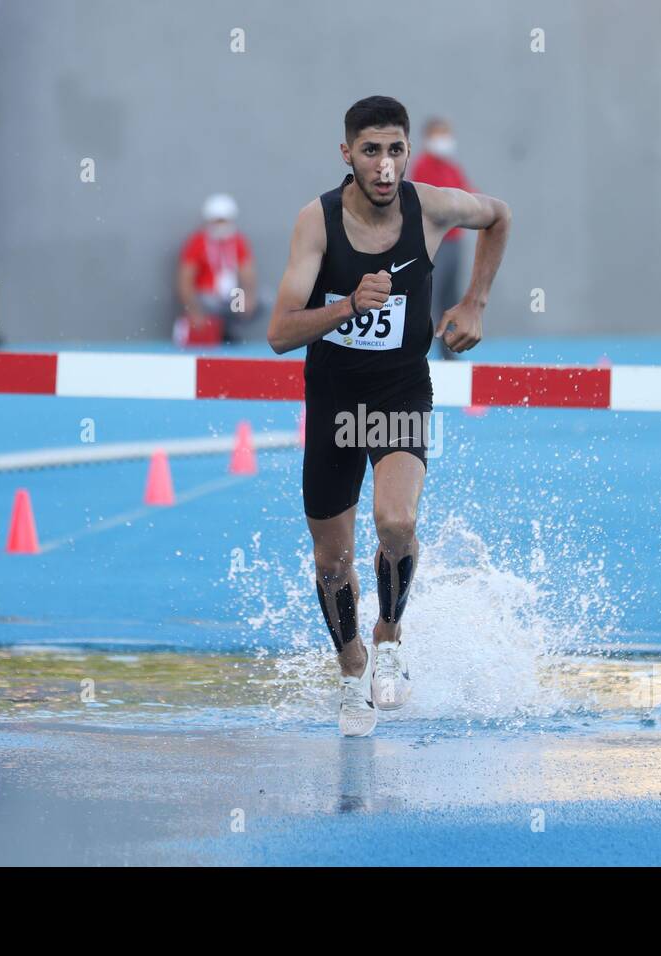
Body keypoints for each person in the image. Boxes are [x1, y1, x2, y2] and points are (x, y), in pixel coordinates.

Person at [267, 95, 511, 736]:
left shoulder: (428, 206)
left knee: (397, 520)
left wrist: (476, 302)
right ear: (347, 154)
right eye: (371, 151)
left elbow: (498, 217)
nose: (384, 166)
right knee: (331, 559)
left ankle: (388, 637)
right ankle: (352, 672)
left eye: (395, 150)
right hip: (333, 398)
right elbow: (280, 332)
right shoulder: (316, 223)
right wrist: (347, 306)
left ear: (408, 153)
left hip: (401, 389)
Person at [407, 117, 475, 361]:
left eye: (446, 134)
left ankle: (449, 352)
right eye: (439, 135)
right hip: (436, 243)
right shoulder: (423, 166)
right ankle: (416, 352)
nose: (444, 141)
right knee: (428, 299)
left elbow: (469, 197)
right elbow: (430, 204)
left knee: (450, 300)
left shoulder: (451, 167)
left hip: (455, 242)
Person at [175, 194, 266, 345]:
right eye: (218, 221)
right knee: (209, 302)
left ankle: (231, 329)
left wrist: (248, 296)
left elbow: (247, 273)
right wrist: (194, 311)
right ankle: (217, 330)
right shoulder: (197, 242)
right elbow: (185, 280)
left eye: (225, 220)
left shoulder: (237, 241)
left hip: (231, 296)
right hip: (208, 297)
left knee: (263, 299)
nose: (222, 225)